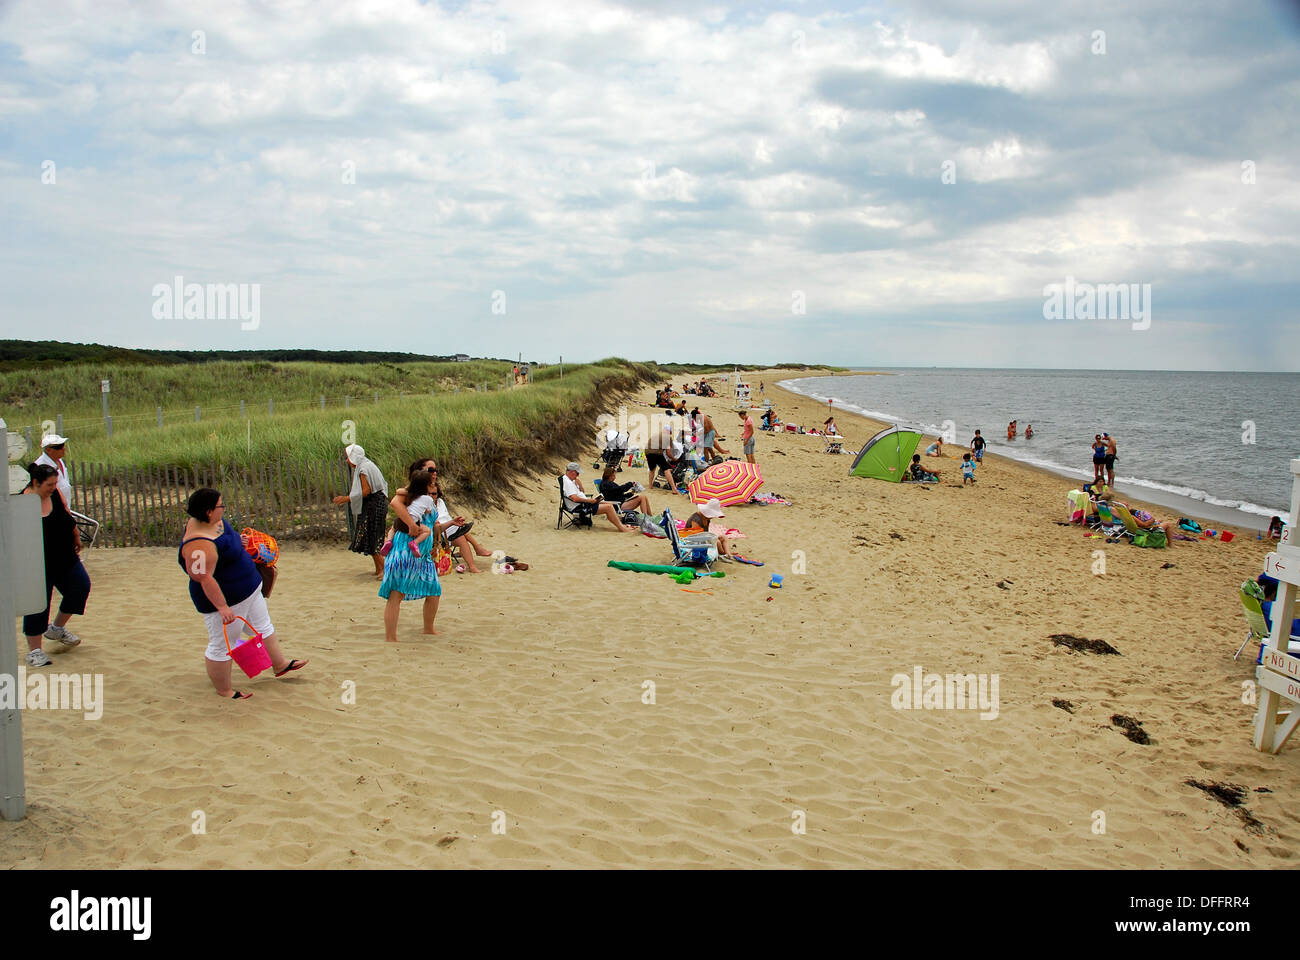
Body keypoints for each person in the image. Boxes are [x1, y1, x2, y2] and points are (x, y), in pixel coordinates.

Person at [179, 487, 308, 699]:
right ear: (209, 511)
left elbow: (226, 538)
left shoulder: (213, 522)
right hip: (226, 599)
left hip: (248, 588)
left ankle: (279, 664)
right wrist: (222, 607)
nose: (224, 508)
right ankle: (225, 691)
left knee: (263, 626)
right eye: (221, 505)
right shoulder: (198, 544)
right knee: (222, 644)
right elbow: (203, 578)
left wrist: (239, 541)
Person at [22, 464, 90, 667]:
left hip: (65, 557)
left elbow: (67, 515)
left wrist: (76, 536)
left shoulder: (55, 493)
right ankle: (35, 650)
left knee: (80, 587)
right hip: (37, 562)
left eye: (55, 483)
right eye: (49, 484)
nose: (53, 487)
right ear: (35, 483)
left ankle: (56, 628)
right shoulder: (23, 501)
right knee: (38, 604)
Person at [379, 470, 443, 641]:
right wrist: (412, 525)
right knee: (397, 592)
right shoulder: (410, 496)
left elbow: (434, 525)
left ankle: (428, 629)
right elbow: (394, 502)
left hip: (423, 555)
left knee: (434, 590)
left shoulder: (422, 496)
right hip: (406, 550)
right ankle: (390, 637)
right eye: (430, 473)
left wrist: (436, 543)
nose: (434, 475)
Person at [332, 444, 389, 578]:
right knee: (371, 536)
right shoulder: (367, 465)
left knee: (371, 536)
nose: (347, 461)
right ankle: (379, 569)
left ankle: (386, 570)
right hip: (376, 503)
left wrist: (346, 499)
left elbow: (366, 491)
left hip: (373, 505)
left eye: (348, 457)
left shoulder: (363, 468)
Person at [430, 473, 498, 573]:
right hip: (437, 534)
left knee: (461, 535)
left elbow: (446, 517)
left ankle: (472, 565)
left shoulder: (440, 502)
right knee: (461, 532)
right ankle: (477, 549)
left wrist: (453, 522)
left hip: (448, 531)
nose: (431, 496)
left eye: (434, 494)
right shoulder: (426, 506)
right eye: (429, 493)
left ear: (438, 494)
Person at [563, 463, 633, 531]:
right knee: (609, 507)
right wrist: (590, 501)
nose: (578, 475)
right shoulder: (568, 483)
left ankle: (621, 526)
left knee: (608, 505)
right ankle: (622, 528)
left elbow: (582, 492)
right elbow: (574, 499)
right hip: (579, 507)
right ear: (572, 472)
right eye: (577, 473)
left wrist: (579, 483)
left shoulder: (569, 480)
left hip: (583, 504)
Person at [396, 470, 438, 556]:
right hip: (413, 523)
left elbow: (398, 491)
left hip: (400, 521)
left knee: (393, 529)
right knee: (427, 531)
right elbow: (428, 511)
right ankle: (414, 543)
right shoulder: (428, 499)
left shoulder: (410, 495)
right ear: (427, 486)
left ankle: (388, 541)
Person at [35, 433, 73, 509]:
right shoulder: (40, 466)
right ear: (48, 450)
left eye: (63, 445)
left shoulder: (60, 461)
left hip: (65, 507)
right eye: (59, 447)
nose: (63, 449)